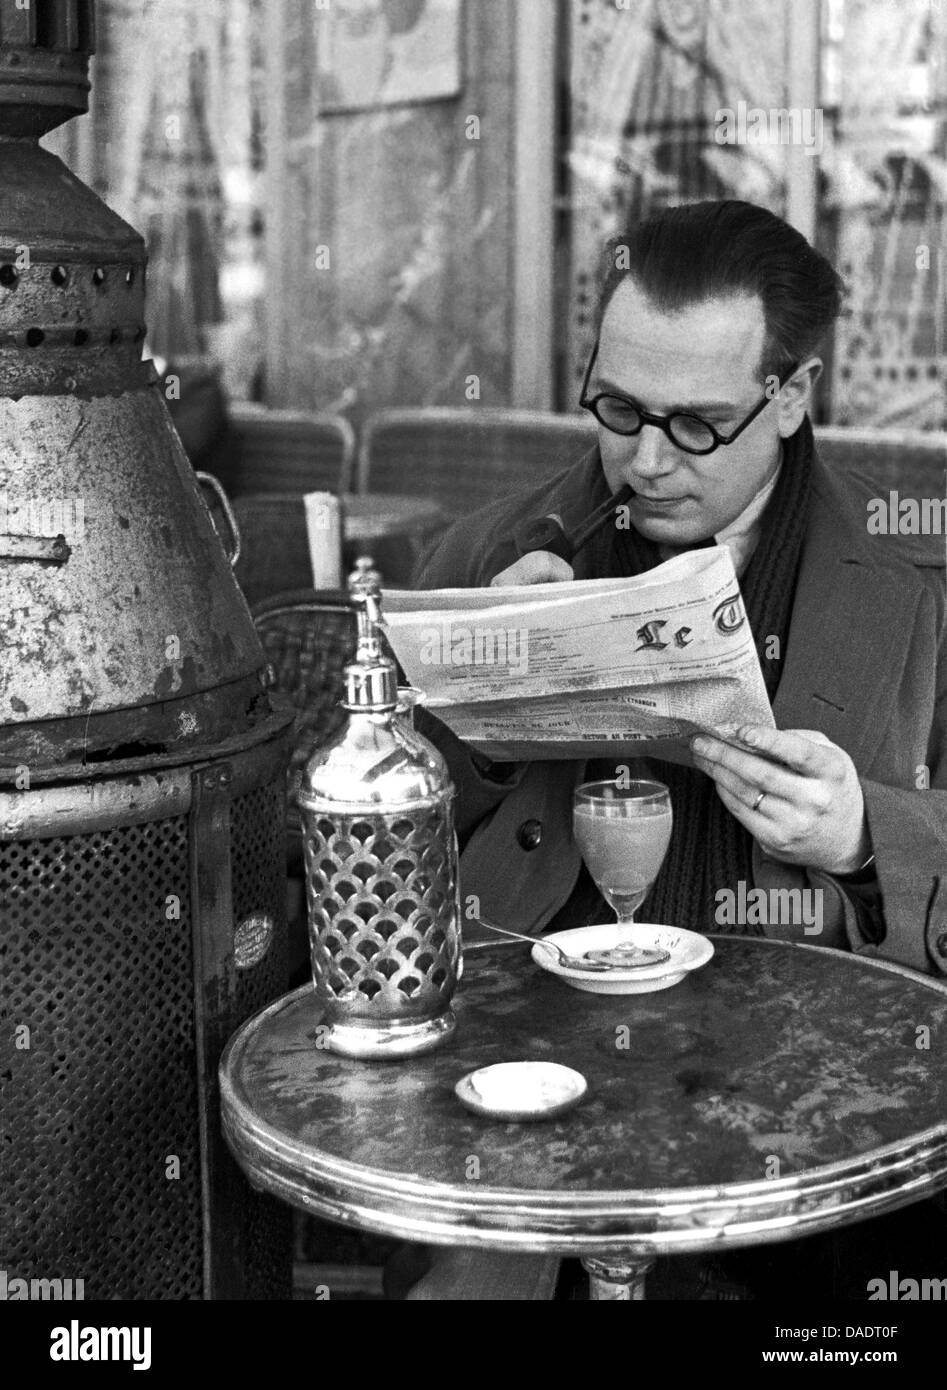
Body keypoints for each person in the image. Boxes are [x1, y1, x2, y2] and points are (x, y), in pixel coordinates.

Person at [413, 198, 947, 982]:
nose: (649, 462)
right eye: (620, 409)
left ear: (792, 395)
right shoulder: (482, 557)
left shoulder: (922, 584)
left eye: (698, 424)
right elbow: (374, 851)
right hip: (532, 1032)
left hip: (802, 1055)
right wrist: (482, 729)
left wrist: (865, 836)